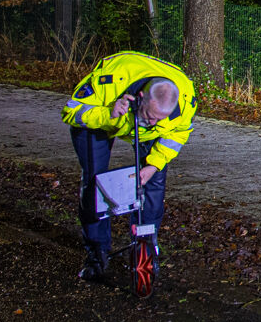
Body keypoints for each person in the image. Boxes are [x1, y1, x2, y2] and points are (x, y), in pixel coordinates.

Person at [61, 50, 196, 283]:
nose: (153, 122)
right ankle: (97, 252)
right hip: (103, 116)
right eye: (150, 116)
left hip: (143, 130)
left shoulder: (183, 103)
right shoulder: (109, 81)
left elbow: (177, 136)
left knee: (153, 180)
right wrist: (108, 114)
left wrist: (153, 165)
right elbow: (71, 110)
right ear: (140, 97)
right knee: (95, 182)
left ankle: (145, 246)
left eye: (159, 119)